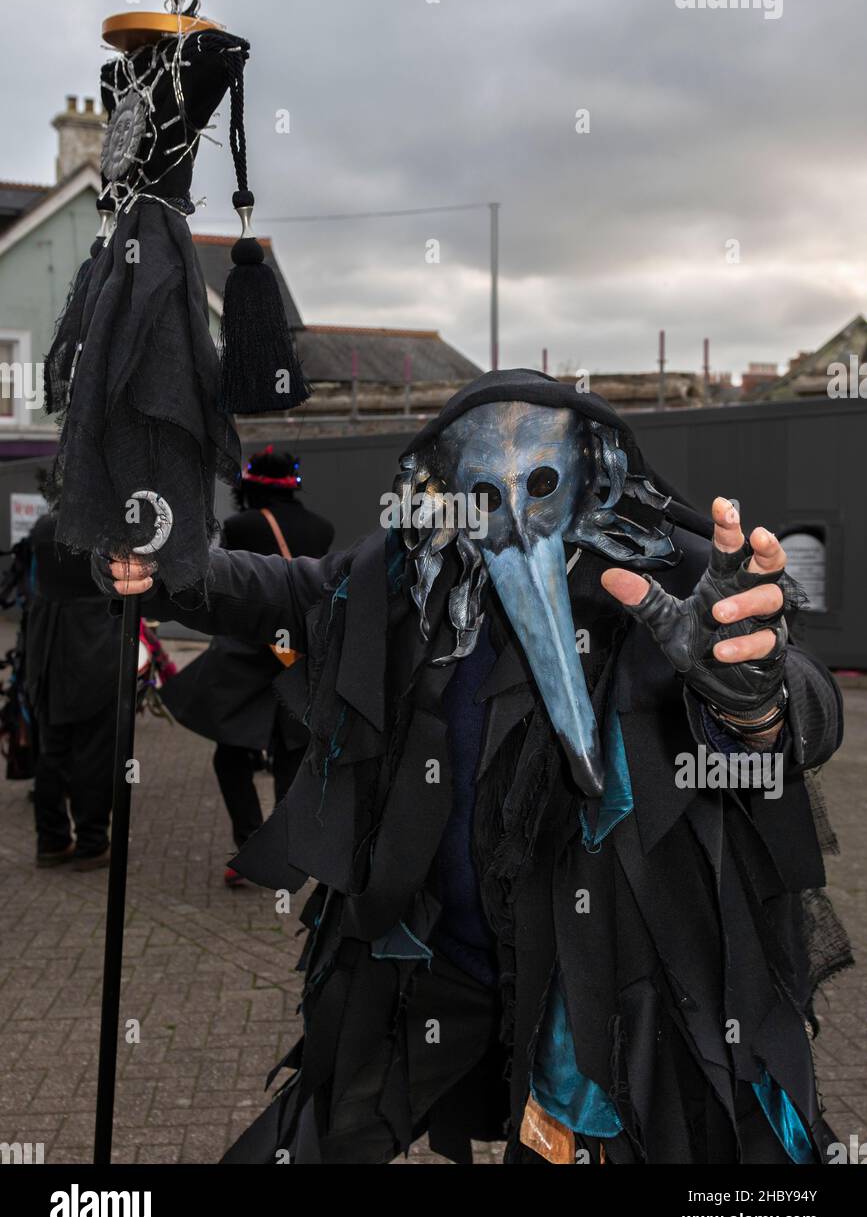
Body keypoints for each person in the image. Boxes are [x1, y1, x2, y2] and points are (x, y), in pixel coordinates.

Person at [99, 370, 851, 1165]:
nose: (518, 521)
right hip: (433, 962)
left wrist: (751, 702)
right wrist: (173, 569)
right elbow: (290, 591)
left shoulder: (675, 574)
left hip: (606, 991)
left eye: (540, 482)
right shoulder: (408, 575)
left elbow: (802, 697)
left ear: (590, 468)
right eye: (485, 493)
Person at [160, 448, 333, 882]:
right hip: (301, 658)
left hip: (246, 658)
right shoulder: (322, 529)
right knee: (292, 757)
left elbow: (234, 588)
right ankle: (285, 850)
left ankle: (249, 842)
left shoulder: (240, 526)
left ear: (249, 486)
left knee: (231, 754)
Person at [29, 511, 121, 870]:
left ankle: (51, 840)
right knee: (95, 755)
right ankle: (92, 841)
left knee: (53, 752)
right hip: (93, 647)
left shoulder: (43, 526)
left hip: (48, 646)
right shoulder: (102, 528)